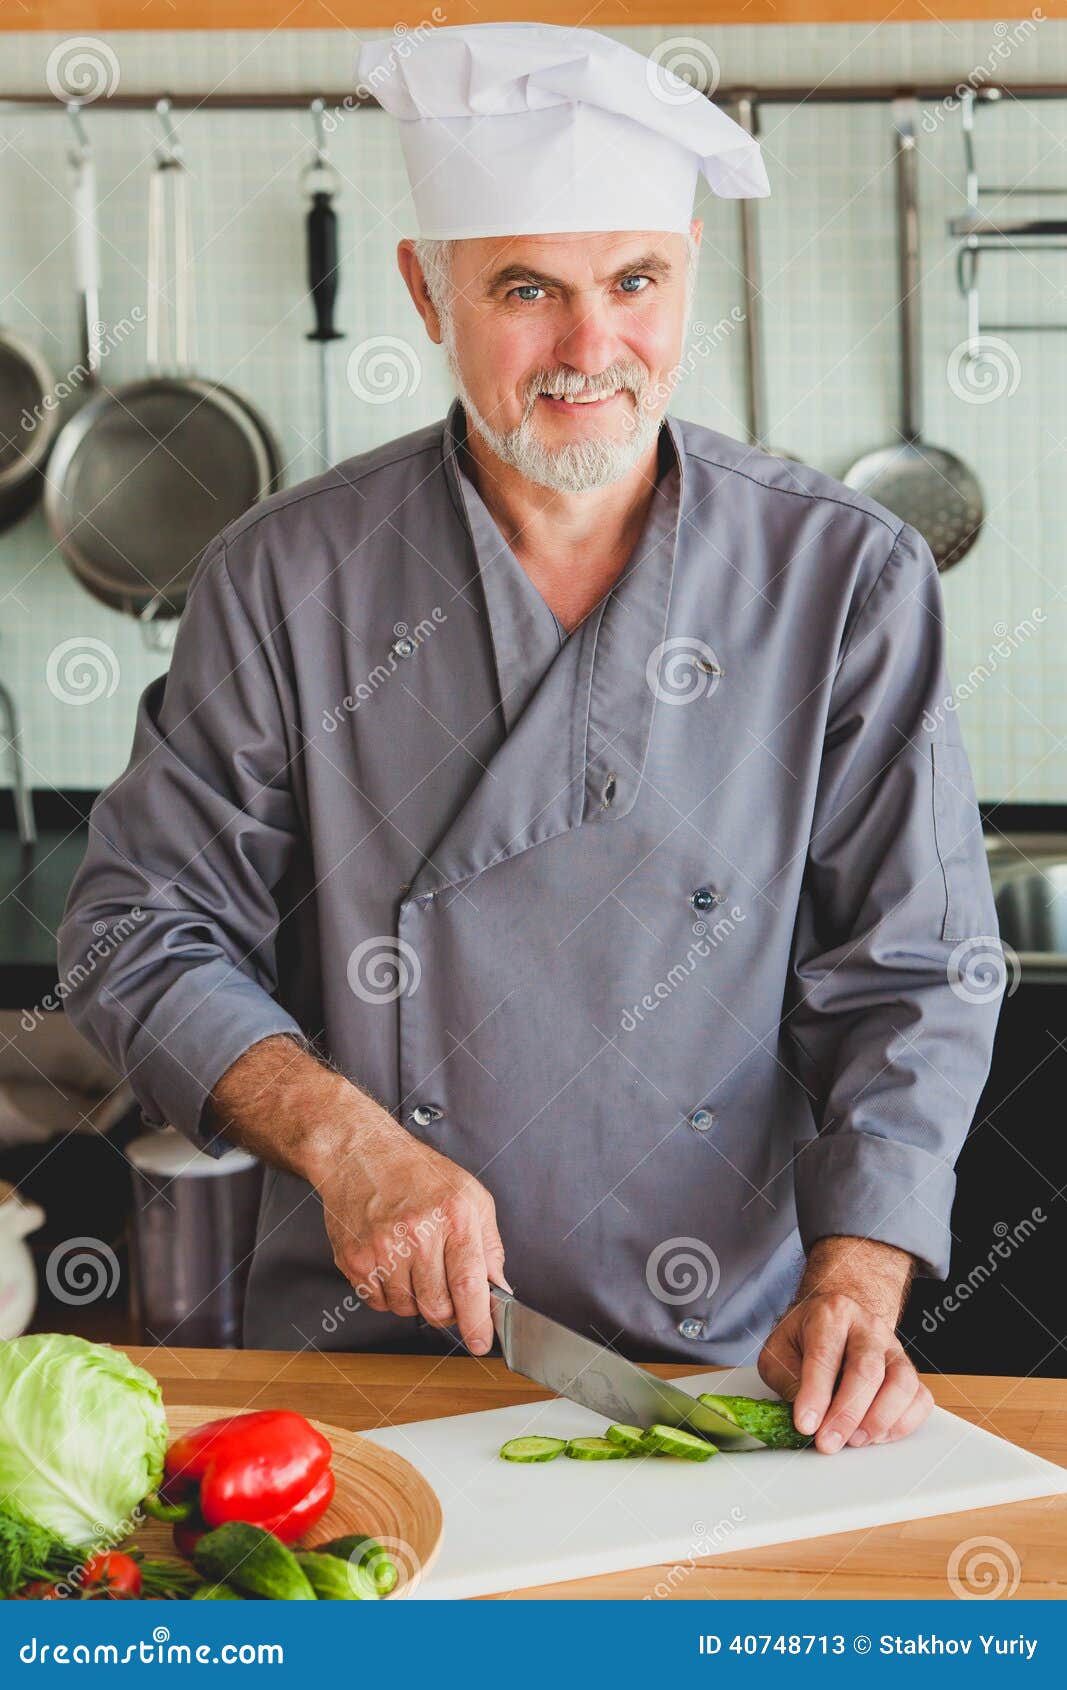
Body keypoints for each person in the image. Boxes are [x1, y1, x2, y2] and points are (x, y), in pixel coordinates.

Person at [58, 24, 1003, 1455]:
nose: (590, 348)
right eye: (526, 290)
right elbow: (135, 928)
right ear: (424, 289)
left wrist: (862, 1271)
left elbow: (915, 970)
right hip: (361, 1359)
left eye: (636, 282)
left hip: (725, 1364)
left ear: (688, 269)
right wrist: (347, 1139)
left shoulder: (845, 576)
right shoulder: (283, 577)